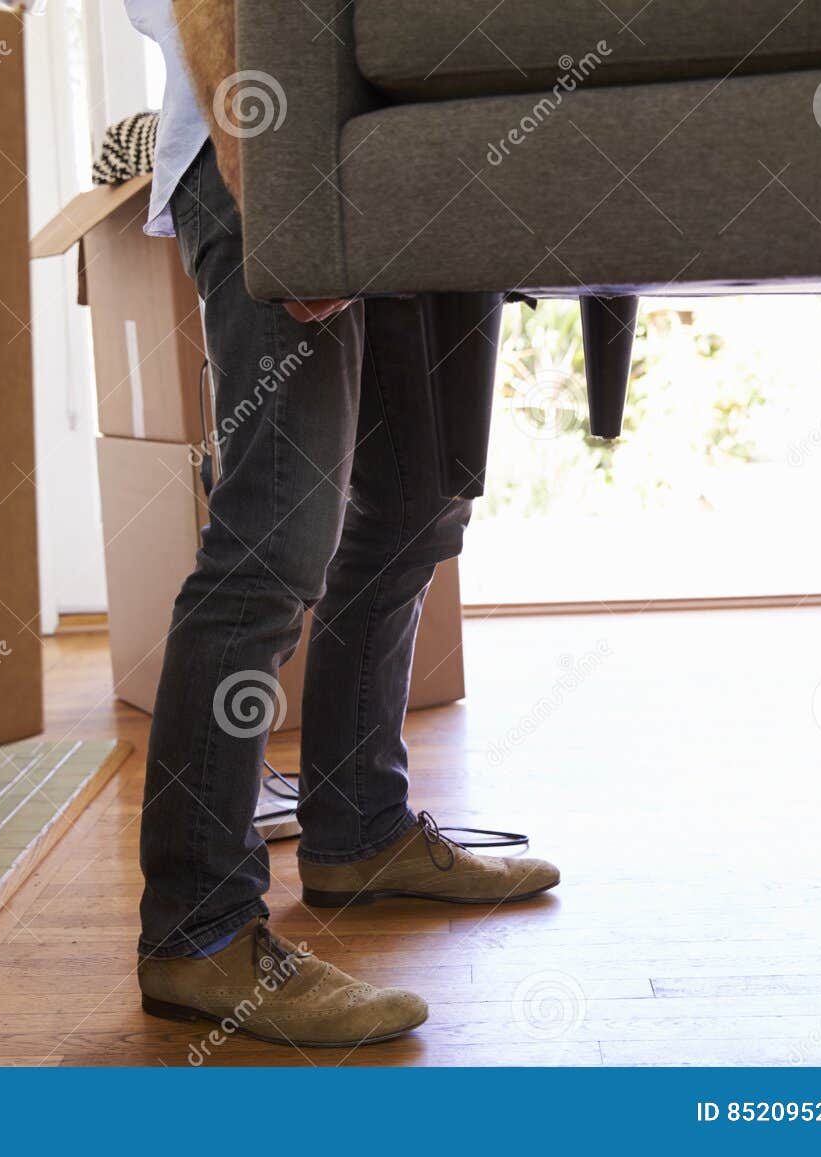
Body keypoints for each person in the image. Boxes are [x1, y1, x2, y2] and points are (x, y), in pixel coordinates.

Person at [125, 0, 560, 1049]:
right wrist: (269, 178)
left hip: (422, 172)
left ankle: (358, 825)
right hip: (274, 156)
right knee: (273, 539)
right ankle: (198, 927)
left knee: (421, 500)